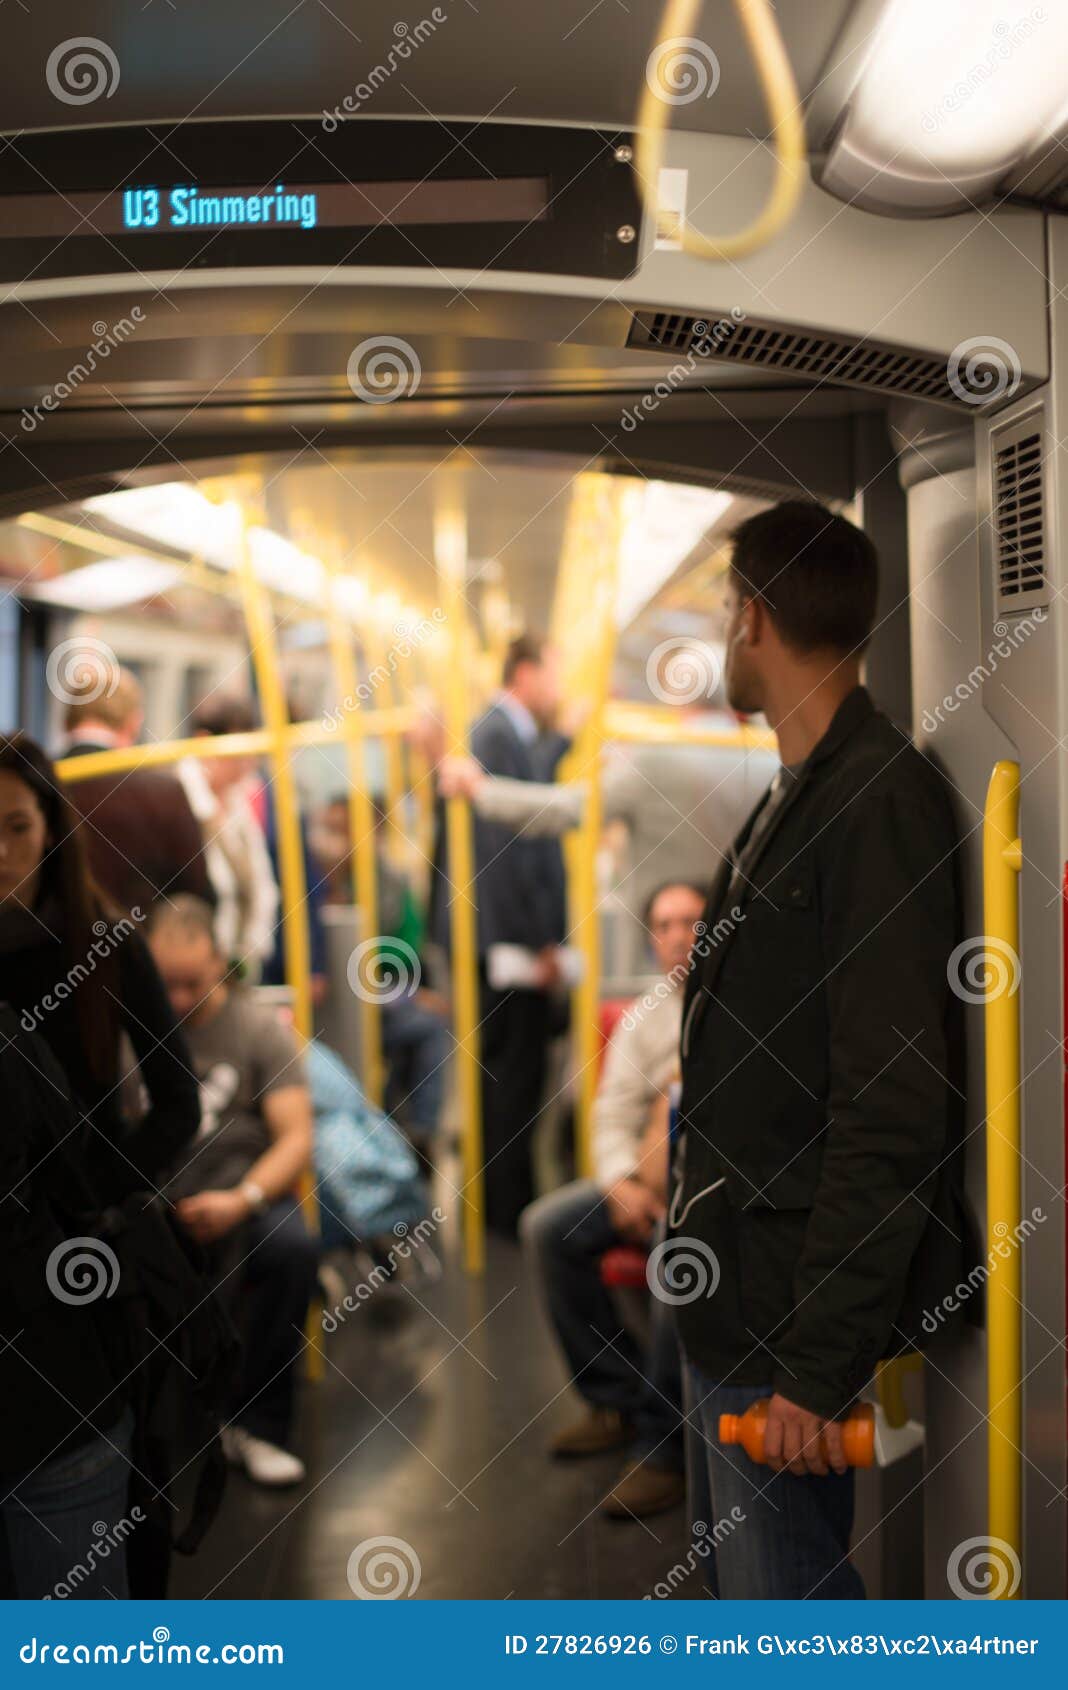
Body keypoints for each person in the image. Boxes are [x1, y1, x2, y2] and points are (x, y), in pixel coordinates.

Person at [672, 501, 969, 1599]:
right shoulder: (796, 797)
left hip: (783, 1319)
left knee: (783, 1618)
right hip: (732, 1291)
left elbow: (892, 1105)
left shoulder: (878, 802)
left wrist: (815, 1366)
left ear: (754, 617)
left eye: (724, 609)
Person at [0, 734, 200, 1598]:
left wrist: (95, 1201)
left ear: (49, 828)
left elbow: (176, 1101)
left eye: (13, 825)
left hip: (80, 1277)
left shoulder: (103, 942)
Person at [521, 883, 706, 1520]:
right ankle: (616, 1399)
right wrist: (622, 1183)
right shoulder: (643, 1017)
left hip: (704, 1196)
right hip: (642, 1181)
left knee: (675, 1251)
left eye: (691, 921)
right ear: (652, 937)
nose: (679, 935)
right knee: (546, 1227)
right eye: (665, 924)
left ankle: (665, 1445)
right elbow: (610, 1115)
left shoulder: (739, 1006)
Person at [146, 896, 317, 1487]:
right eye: (165, 984)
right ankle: (145, 1427)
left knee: (292, 1251)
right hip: (159, 1202)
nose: (178, 1001)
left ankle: (260, 1426)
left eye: (191, 983)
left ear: (219, 961)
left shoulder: (256, 1029)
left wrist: (240, 1200)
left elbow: (296, 1139)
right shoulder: (134, 1029)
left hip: (245, 1194)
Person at [432, 635, 569, 1237]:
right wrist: (540, 941)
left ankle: (507, 1199)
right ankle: (505, 1209)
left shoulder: (503, 733)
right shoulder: (493, 733)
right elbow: (510, 846)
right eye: (555, 670)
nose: (561, 685)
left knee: (511, 1074)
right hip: (508, 940)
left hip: (505, 936)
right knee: (513, 1076)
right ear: (527, 672)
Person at [59, 667, 214, 914]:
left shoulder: (33, 785)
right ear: (133, 723)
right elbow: (198, 894)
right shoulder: (164, 793)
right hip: (138, 945)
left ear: (66, 722)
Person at [177, 697, 279, 979]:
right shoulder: (176, 799)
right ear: (204, 743)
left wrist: (247, 953)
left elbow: (261, 886)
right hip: (193, 966)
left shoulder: (238, 801)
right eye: (239, 753)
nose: (248, 764)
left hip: (236, 965)